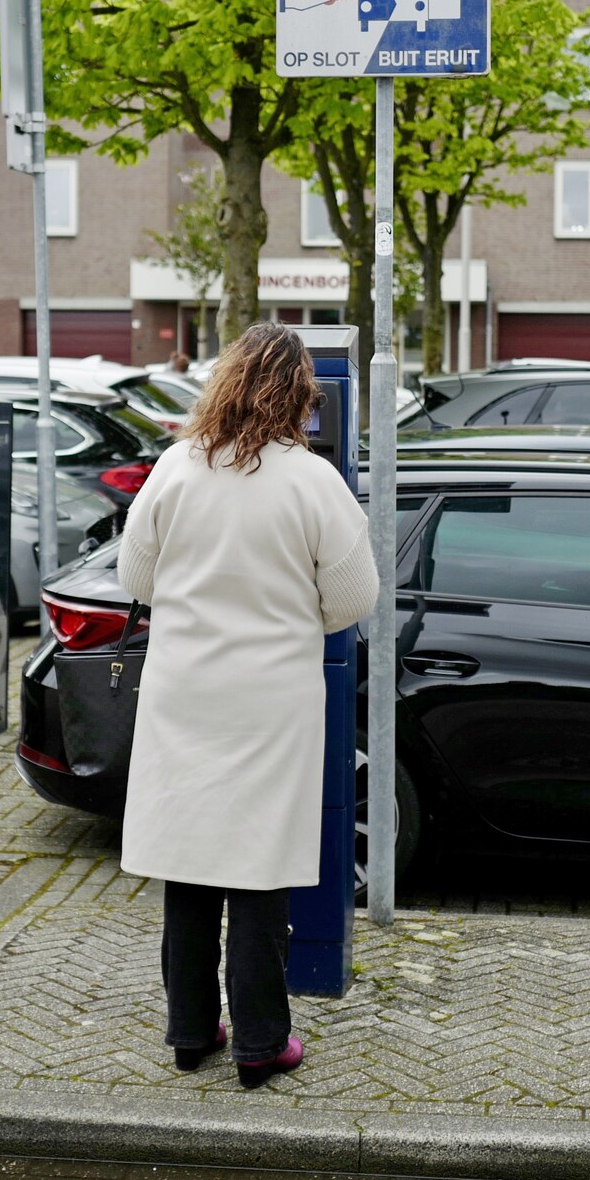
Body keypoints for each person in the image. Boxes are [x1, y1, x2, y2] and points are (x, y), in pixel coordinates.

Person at [115, 322, 377, 1090]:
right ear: (301, 396)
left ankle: (192, 1031)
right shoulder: (313, 481)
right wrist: (289, 613)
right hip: (270, 701)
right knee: (261, 867)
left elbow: (137, 577)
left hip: (184, 694)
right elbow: (353, 597)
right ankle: (262, 1043)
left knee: (187, 862)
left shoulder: (175, 468)